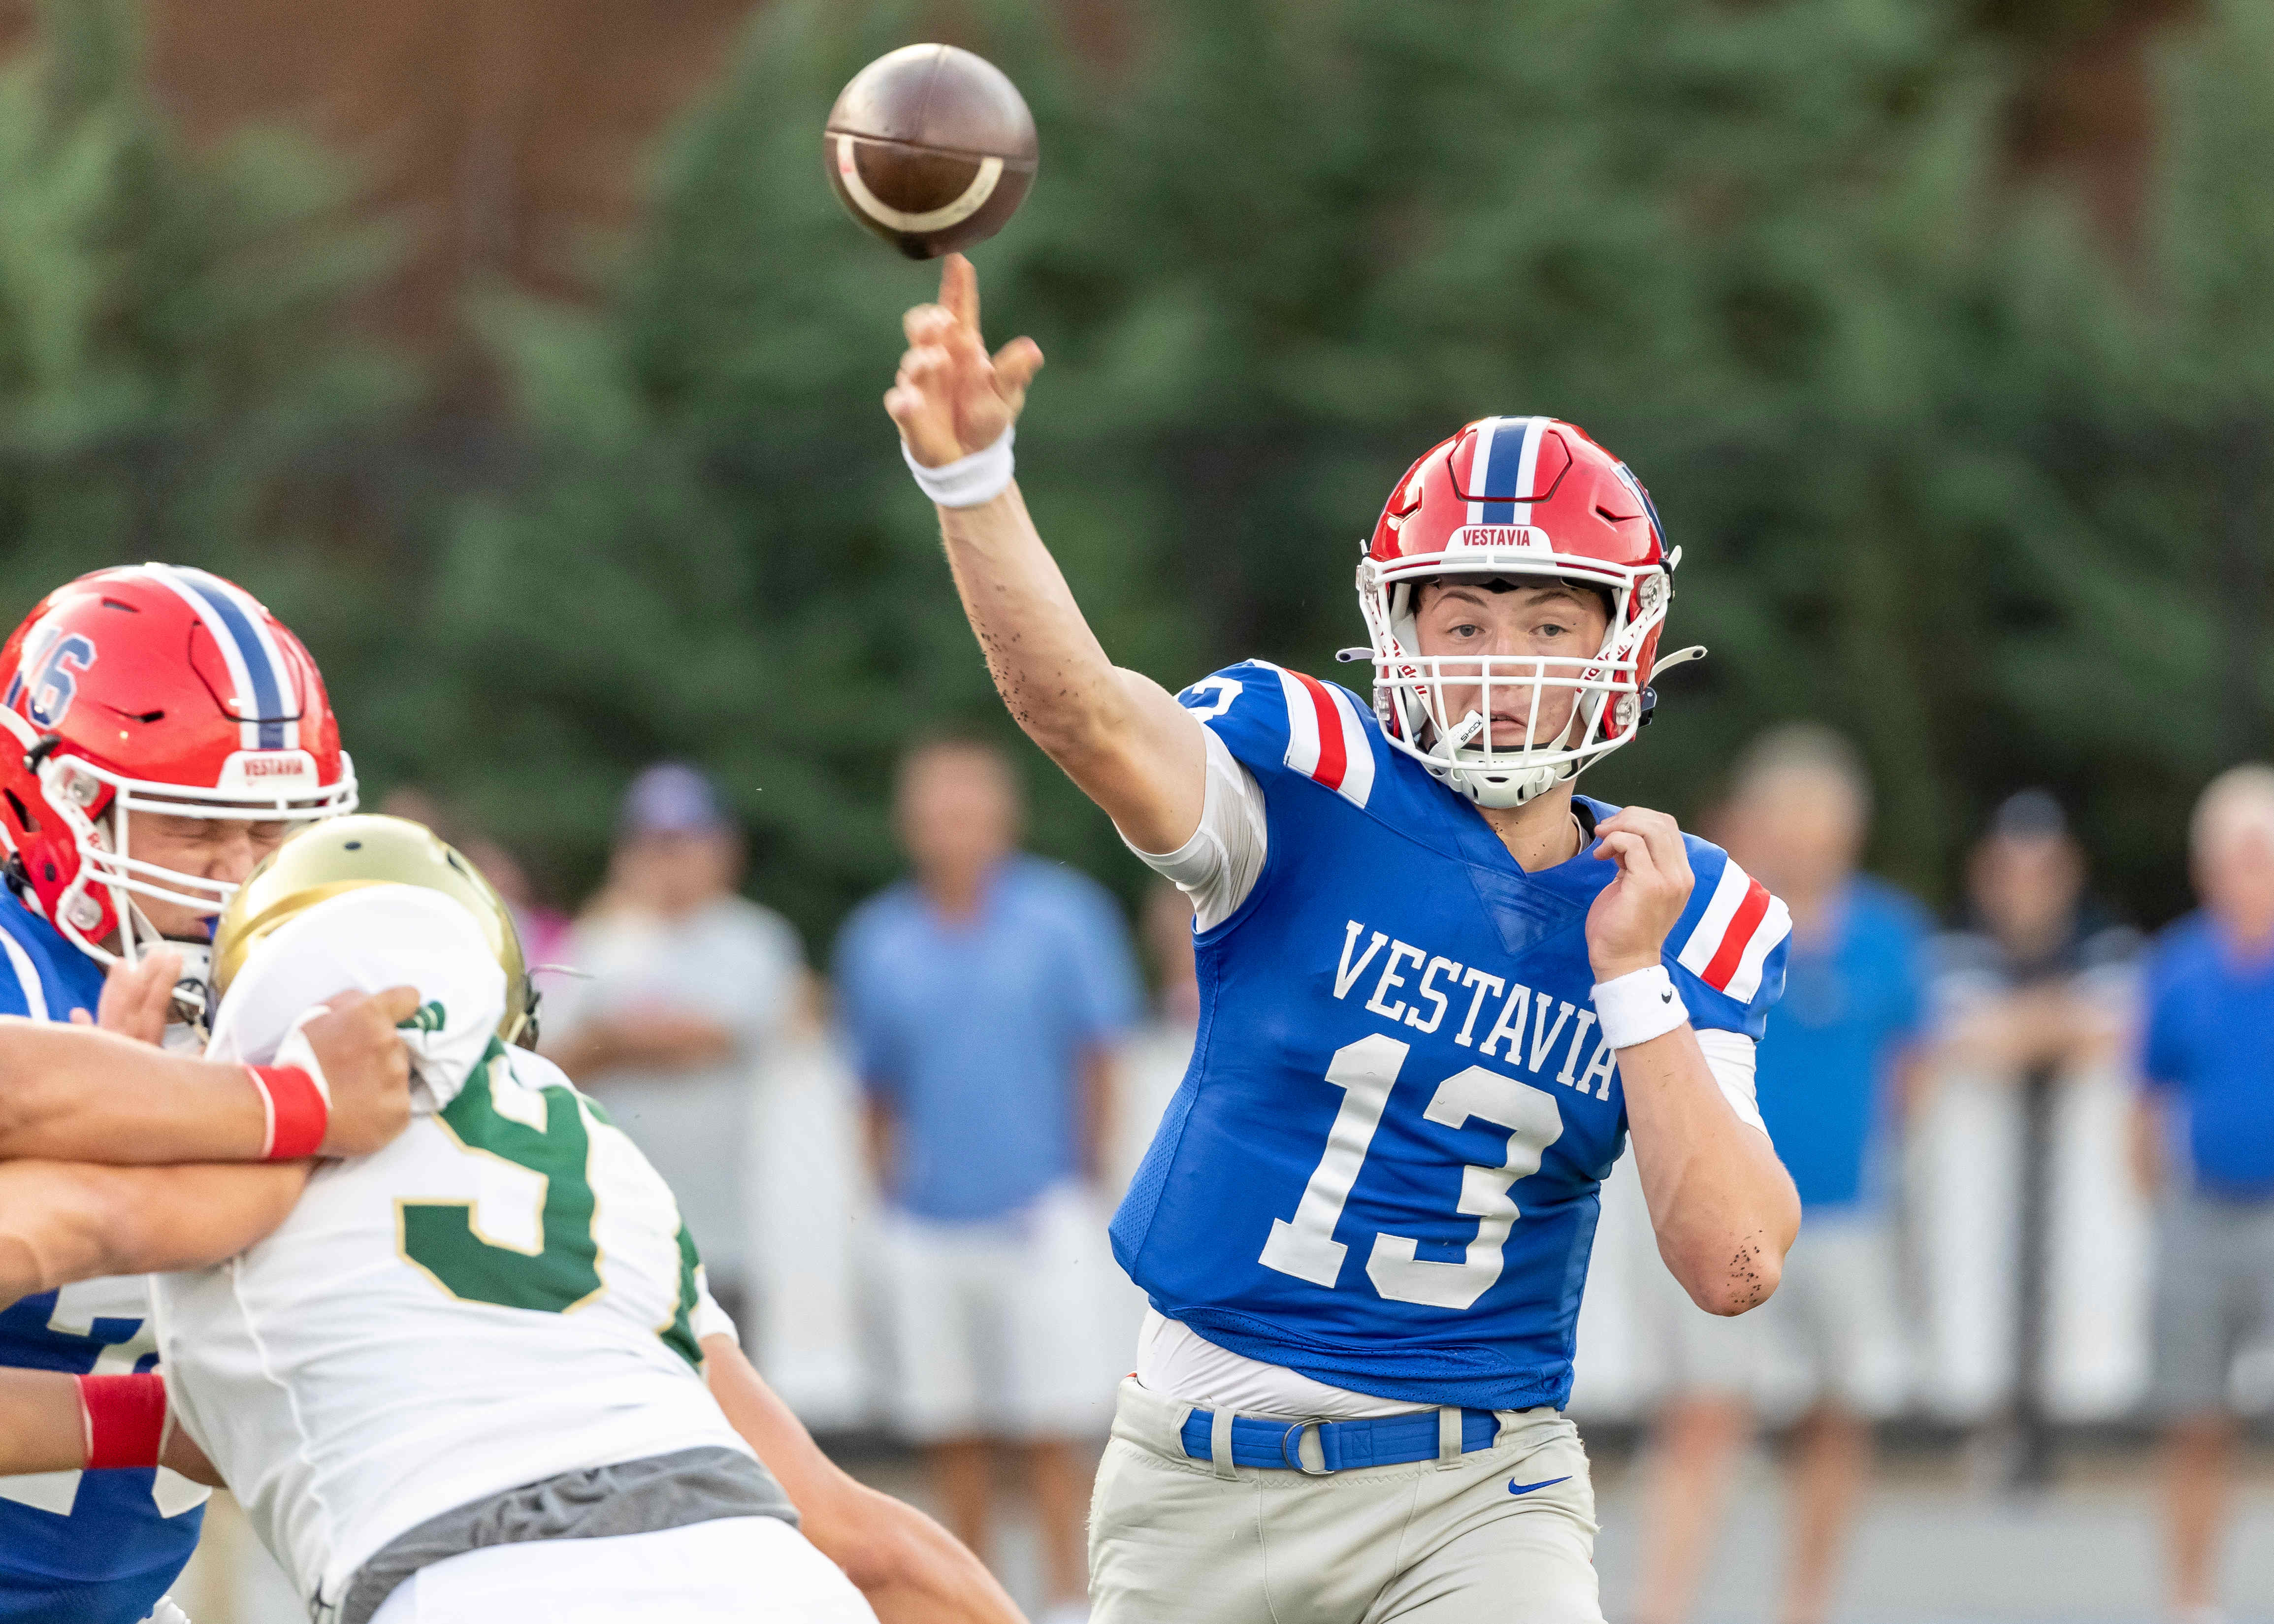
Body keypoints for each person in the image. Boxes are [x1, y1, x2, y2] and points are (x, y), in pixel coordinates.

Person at [884, 255, 1799, 1624]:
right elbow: (1085, 713)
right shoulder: (1313, 782)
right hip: (1201, 1480)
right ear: (1398, 625)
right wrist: (973, 485)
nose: (1502, 661)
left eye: (1550, 622)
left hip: (1477, 1493)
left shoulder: (1690, 909)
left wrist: (1629, 981)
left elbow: (1734, 1265)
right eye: (1466, 617)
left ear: (1626, 641)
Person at [0, 815, 1026, 1624]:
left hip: (467, 1582)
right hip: (758, 1569)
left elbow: (57, 1211)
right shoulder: (594, 1153)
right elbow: (865, 1538)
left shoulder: (240, 1162)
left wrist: (154, 1120)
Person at [0, 563, 359, 1624]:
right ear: (52, 803)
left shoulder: (291, 988)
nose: (245, 872)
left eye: (274, 828)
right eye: (195, 830)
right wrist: (156, 1421)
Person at [1626, 726, 1931, 1624]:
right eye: (1787, 818)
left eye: (1819, 820)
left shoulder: (1887, 934)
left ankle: (1806, 1604)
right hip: (1722, 1206)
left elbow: (1909, 1069)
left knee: (1839, 1416)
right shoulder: (1717, 923)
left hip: (1841, 1211)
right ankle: (1663, 1603)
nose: (1802, 838)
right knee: (1705, 1413)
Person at [834, 736, 1140, 1624]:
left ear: (1002, 816)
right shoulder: (879, 938)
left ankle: (1066, 1599)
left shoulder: (1062, 918)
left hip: (1038, 1206)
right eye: (934, 810)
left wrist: (1083, 1176)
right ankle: (966, 1599)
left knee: (1051, 1421)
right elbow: (873, 1087)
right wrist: (882, 1195)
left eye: (965, 807)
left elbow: (1097, 1056)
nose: (951, 827)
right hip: (927, 1216)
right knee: (951, 1425)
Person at [543, 762, 808, 1328]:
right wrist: (623, 1038)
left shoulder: (753, 940)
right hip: (610, 1235)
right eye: (656, 845)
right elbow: (550, 1060)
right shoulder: (597, 939)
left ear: (723, 849)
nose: (671, 861)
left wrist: (611, 1037)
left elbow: (708, 1037)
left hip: (722, 1237)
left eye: (685, 844)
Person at [2133, 765, 2274, 1624]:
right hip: (2202, 1209)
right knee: (2192, 1416)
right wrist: (2156, 1208)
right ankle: (2190, 1597)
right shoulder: (2177, 967)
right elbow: (2146, 1101)